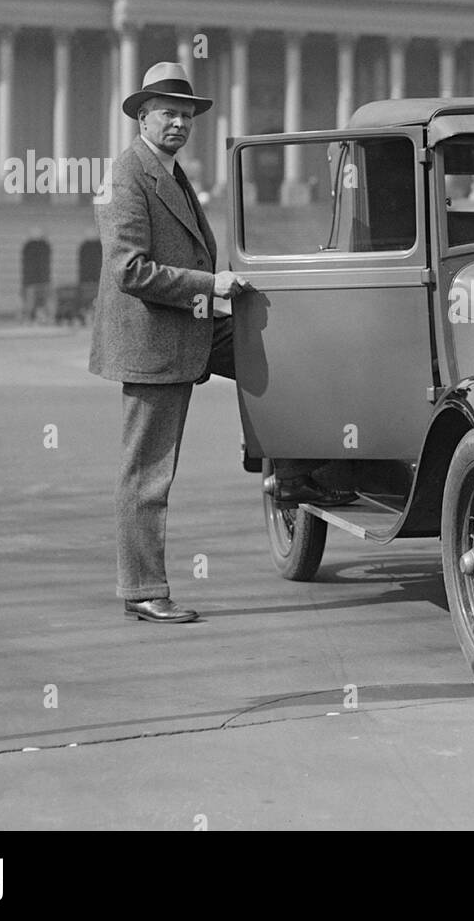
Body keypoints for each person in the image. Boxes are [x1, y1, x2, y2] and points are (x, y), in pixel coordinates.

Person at [90, 62, 351, 624]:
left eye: (187, 115)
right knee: (147, 473)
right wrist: (212, 285)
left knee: (284, 360)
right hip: (155, 339)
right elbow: (129, 271)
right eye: (168, 113)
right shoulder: (125, 175)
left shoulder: (172, 171)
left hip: (195, 325)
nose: (180, 124)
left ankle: (297, 472)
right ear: (141, 115)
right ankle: (142, 590)